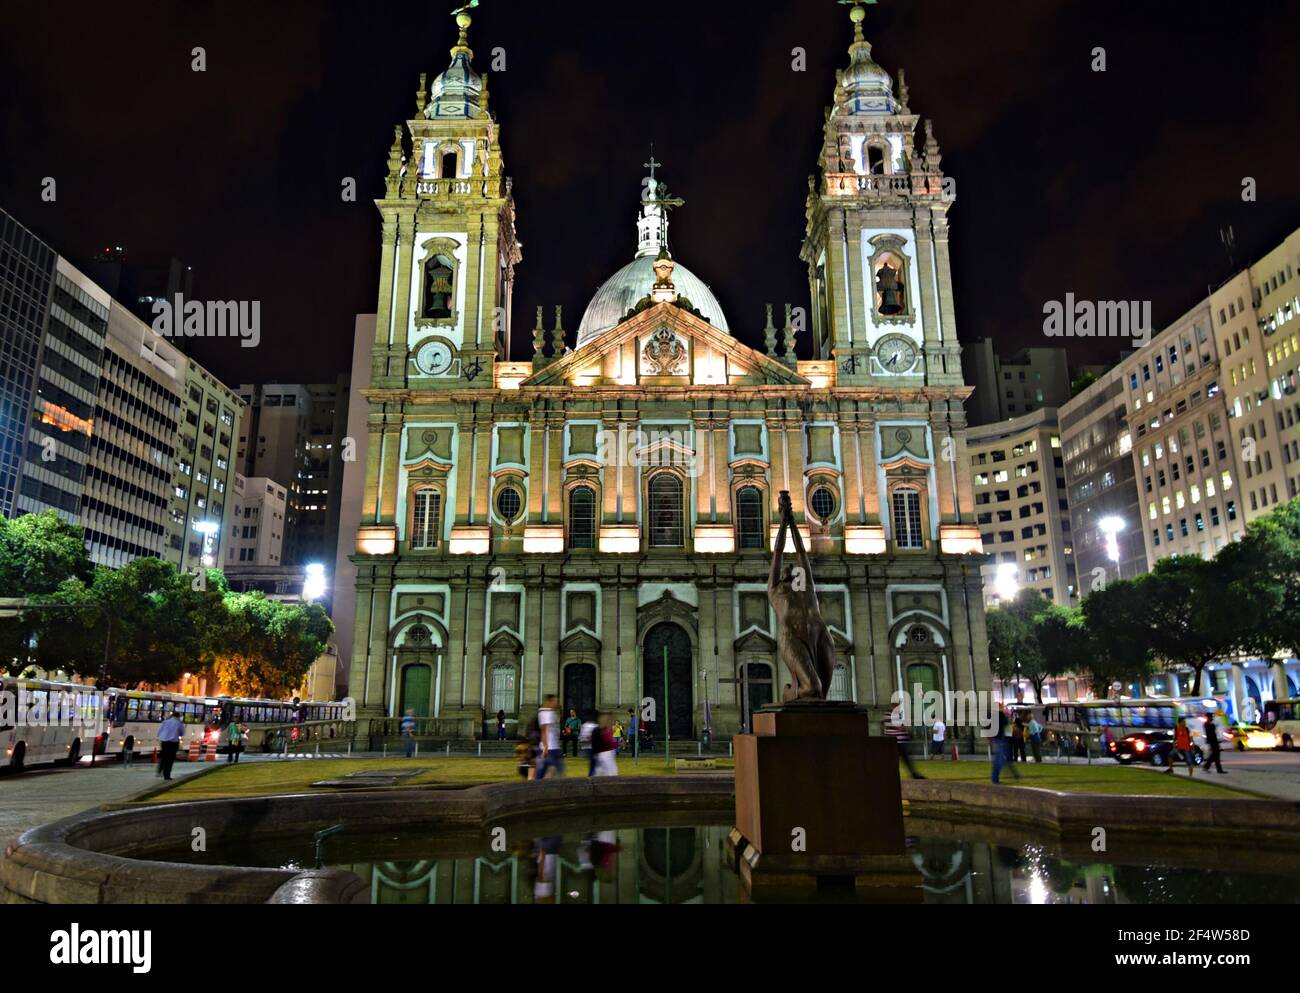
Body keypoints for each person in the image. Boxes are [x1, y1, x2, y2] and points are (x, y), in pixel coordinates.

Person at [536, 695, 564, 779]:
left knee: (544, 770)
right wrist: (545, 747)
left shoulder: (548, 712)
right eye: (555, 701)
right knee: (557, 769)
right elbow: (544, 730)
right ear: (549, 702)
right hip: (550, 748)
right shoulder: (547, 713)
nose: (556, 703)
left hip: (551, 746)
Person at [991, 707, 1021, 784]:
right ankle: (996, 778)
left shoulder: (994, 716)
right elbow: (1006, 727)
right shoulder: (1001, 715)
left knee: (1003, 758)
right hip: (1003, 739)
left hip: (999, 739)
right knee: (1001, 759)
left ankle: (1014, 773)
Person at [157, 710, 184, 781]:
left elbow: (159, 731)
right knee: (170, 759)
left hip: (164, 742)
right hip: (173, 743)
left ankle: (160, 770)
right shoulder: (179, 723)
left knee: (164, 756)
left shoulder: (165, 721)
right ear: (178, 717)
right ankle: (167, 775)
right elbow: (182, 733)